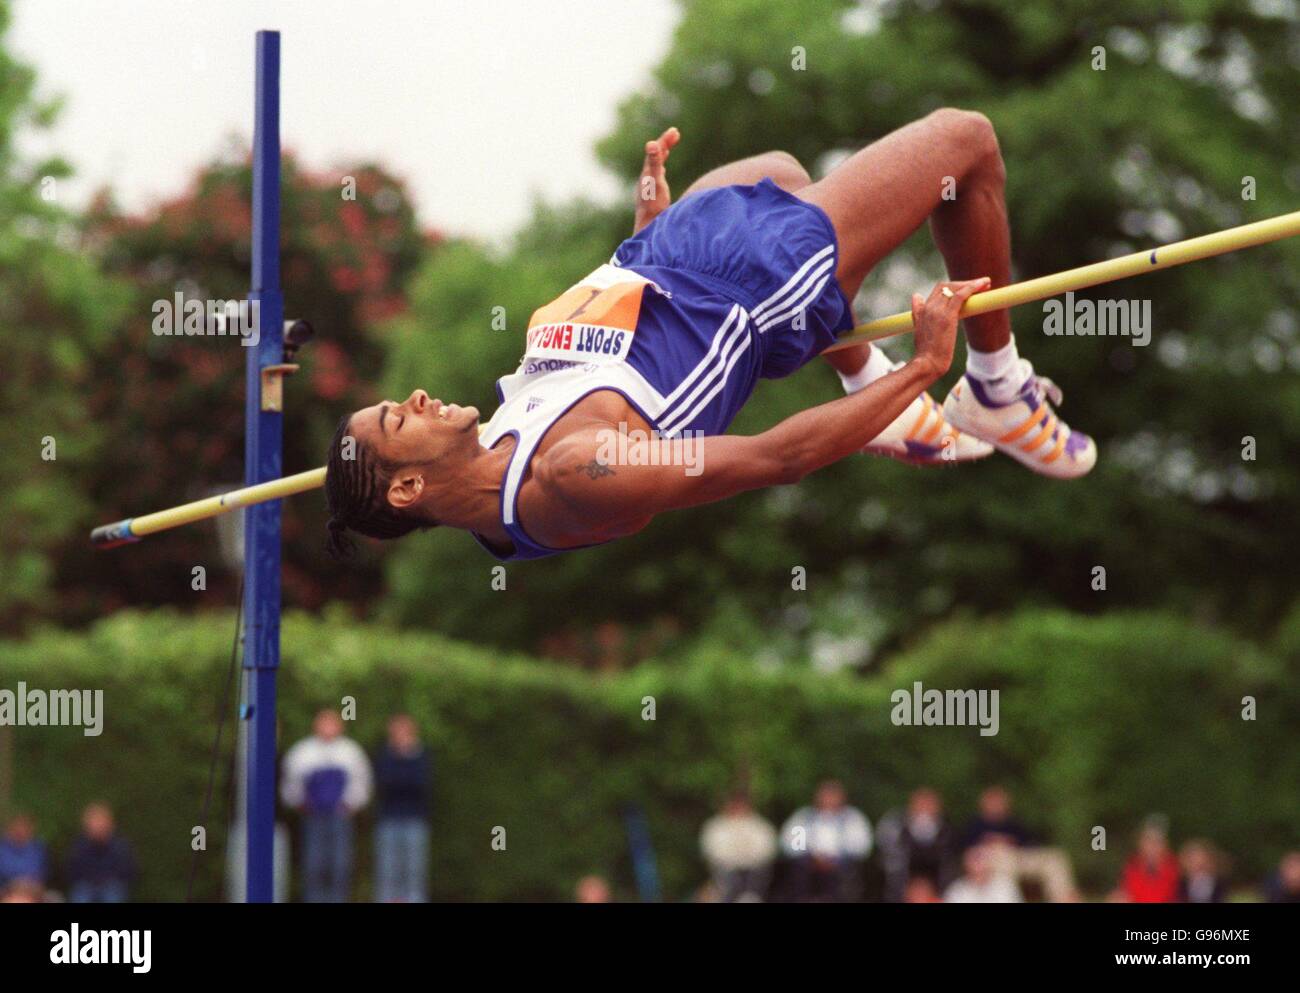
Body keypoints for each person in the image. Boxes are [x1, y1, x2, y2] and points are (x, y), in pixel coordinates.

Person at [323, 112, 1095, 560]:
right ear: (408, 487)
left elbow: (617, 357)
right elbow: (777, 457)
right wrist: (925, 366)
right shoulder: (576, 471)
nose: (416, 397)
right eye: (399, 417)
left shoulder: (496, 444)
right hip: (751, 284)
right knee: (968, 142)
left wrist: (646, 233)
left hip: (669, 259)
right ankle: (995, 384)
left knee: (784, 168)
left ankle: (859, 371)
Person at [280, 709, 374, 902]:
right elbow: (290, 783)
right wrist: (300, 804)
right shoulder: (302, 751)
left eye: (332, 723)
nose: (328, 728)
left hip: (340, 817)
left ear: (340, 726)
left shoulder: (350, 750)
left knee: (339, 865)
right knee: (313, 864)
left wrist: (349, 805)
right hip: (313, 817)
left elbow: (363, 782)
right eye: (324, 723)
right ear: (316, 725)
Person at [780, 779, 872, 902]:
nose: (829, 799)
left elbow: (862, 846)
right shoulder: (804, 817)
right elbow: (791, 844)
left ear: (842, 798)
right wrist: (812, 858)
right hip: (809, 865)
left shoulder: (853, 818)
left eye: (833, 795)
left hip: (841, 866)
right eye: (826, 795)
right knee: (798, 871)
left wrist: (835, 859)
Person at [373, 713, 432, 903]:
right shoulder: (384, 756)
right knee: (387, 871)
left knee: (414, 872)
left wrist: (404, 763)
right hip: (388, 819)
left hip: (415, 820)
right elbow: (384, 783)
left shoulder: (421, 756)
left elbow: (420, 784)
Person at [875, 786, 958, 902]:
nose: (925, 807)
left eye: (929, 804)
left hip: (934, 872)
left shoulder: (946, 826)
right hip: (904, 868)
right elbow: (888, 847)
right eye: (921, 803)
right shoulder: (895, 822)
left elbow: (948, 853)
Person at [699, 791, 778, 902]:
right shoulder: (715, 826)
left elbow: (767, 848)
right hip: (727, 868)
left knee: (756, 882)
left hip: (754, 869)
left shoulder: (760, 825)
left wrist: (749, 858)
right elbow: (712, 851)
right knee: (728, 881)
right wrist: (734, 860)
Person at [65, 803, 135, 903]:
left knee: (112, 896)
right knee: (81, 896)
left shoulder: (120, 846)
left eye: (100, 822)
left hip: (111, 885)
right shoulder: (79, 846)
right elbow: (72, 870)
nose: (98, 826)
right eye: (94, 822)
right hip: (86, 885)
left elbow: (128, 870)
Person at [1118, 822, 1181, 903]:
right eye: (1148, 841)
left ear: (1165, 845)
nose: (1153, 846)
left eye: (1157, 842)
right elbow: (1126, 892)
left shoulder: (1176, 868)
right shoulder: (1131, 866)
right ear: (1140, 844)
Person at [0, 813, 47, 889]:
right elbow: (4, 870)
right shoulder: (2, 848)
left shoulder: (37, 847)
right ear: (10, 828)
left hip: (32, 888)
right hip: (5, 888)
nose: (21, 830)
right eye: (17, 826)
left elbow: (39, 871)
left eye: (24, 827)